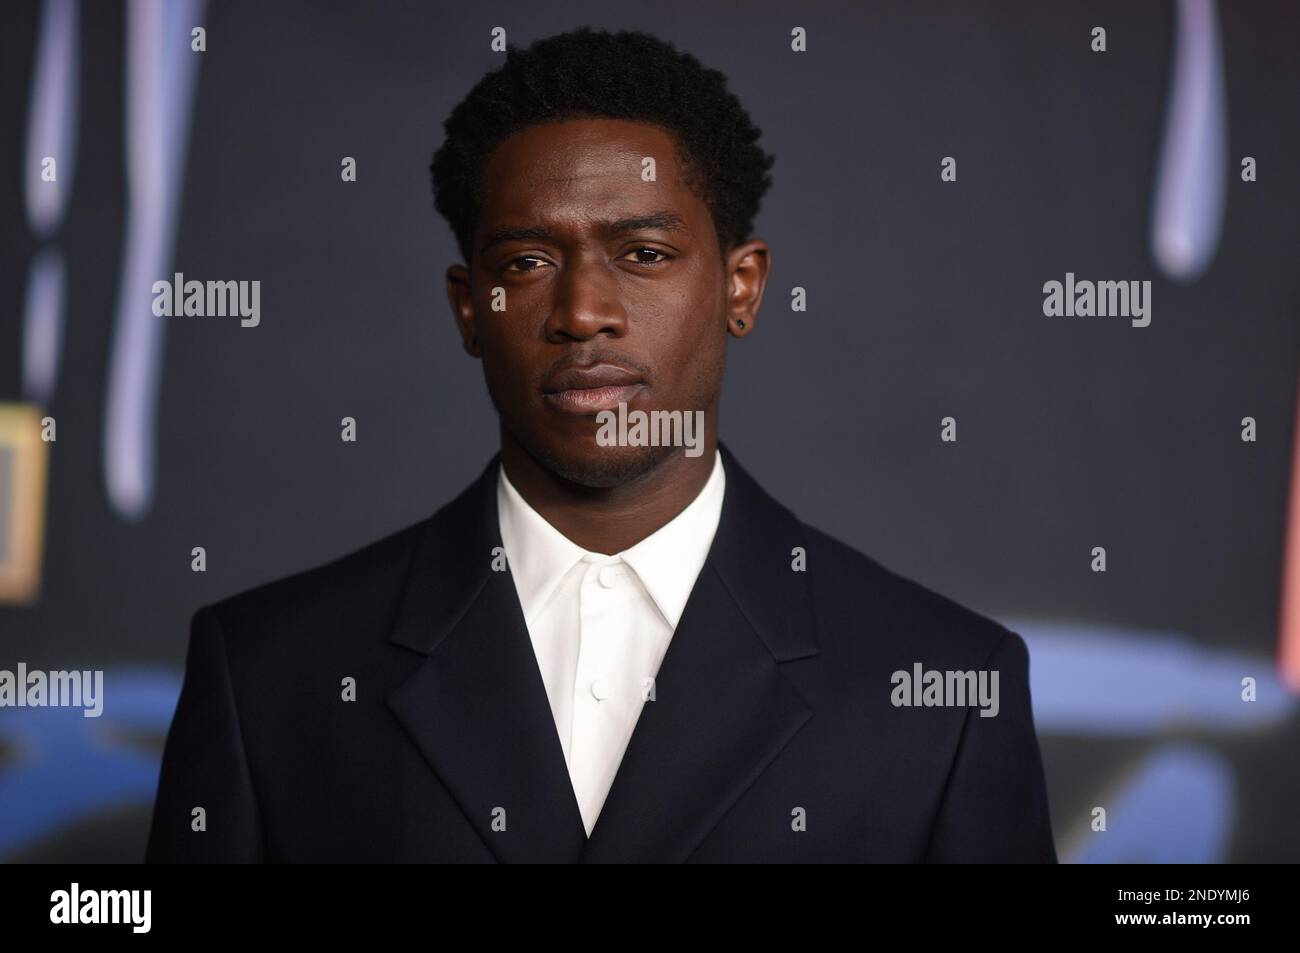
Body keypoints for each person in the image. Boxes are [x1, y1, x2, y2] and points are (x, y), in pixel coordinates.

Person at [146, 27, 1055, 863]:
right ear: (470, 307)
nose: (584, 310)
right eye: (527, 264)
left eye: (645, 254)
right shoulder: (271, 674)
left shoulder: (944, 687)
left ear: (742, 287)